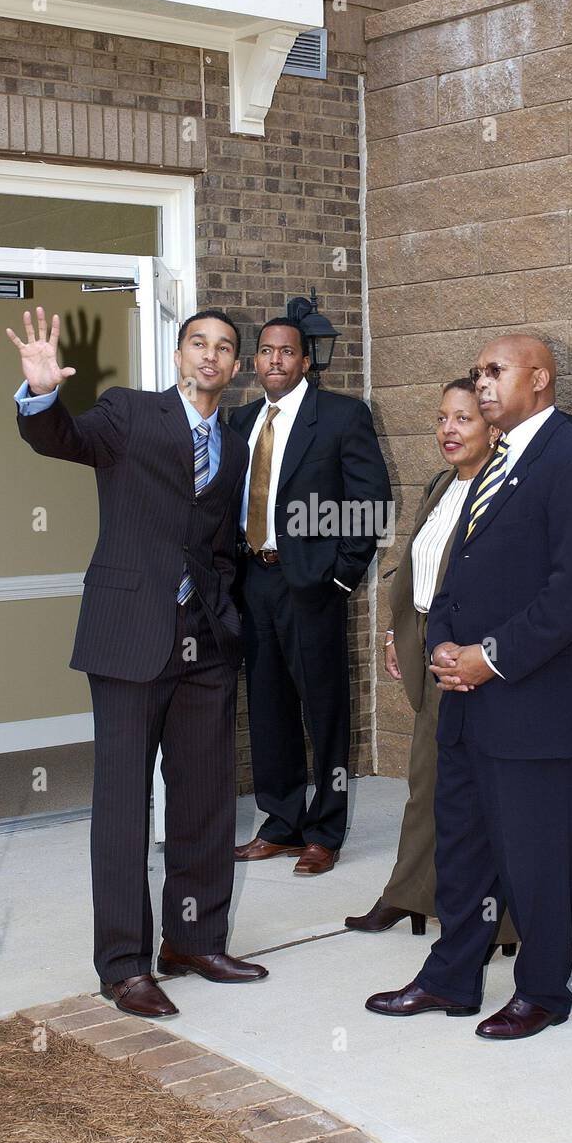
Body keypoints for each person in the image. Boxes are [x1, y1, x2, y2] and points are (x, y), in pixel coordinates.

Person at [8, 305, 267, 1019]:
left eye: (223, 348)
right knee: (124, 805)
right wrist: (39, 395)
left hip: (205, 643)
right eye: (197, 344)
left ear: (235, 366)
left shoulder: (237, 443)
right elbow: (62, 438)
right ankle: (123, 965)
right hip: (128, 635)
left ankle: (193, 940)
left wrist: (229, 617)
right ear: (178, 354)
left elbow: (216, 546)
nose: (210, 356)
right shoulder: (128, 413)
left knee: (206, 797)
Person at [366, 334, 572, 1039]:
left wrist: (492, 656)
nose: (481, 384)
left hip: (530, 705)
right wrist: (445, 639)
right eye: (477, 372)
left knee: (538, 859)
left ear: (539, 379)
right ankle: (450, 979)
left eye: (494, 371)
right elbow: (459, 571)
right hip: (465, 702)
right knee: (462, 851)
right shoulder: (495, 460)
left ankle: (541, 993)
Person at [345, 379, 518, 949]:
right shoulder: (442, 485)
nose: (448, 430)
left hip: (469, 658)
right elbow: (418, 566)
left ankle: (501, 921)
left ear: (493, 429)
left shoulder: (500, 494)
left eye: (463, 419)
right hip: (426, 643)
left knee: (481, 788)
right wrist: (398, 631)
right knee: (428, 781)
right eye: (442, 418)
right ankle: (411, 894)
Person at [229, 317, 392, 875]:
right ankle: (280, 823)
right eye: (266, 351)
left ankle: (325, 829)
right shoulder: (242, 421)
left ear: (304, 362)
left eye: (287, 352)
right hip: (254, 580)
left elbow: (370, 505)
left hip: (313, 585)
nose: (276, 360)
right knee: (268, 706)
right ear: (256, 362)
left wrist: (341, 577)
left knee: (324, 709)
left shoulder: (343, 417)